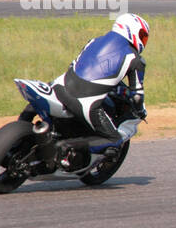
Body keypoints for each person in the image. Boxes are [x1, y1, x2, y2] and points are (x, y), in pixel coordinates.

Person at [52, 12, 149, 168]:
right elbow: (137, 96)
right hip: (84, 102)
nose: (144, 40)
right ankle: (67, 148)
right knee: (114, 140)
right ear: (131, 30)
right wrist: (140, 111)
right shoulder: (135, 59)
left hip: (59, 85)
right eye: (143, 35)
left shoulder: (94, 41)